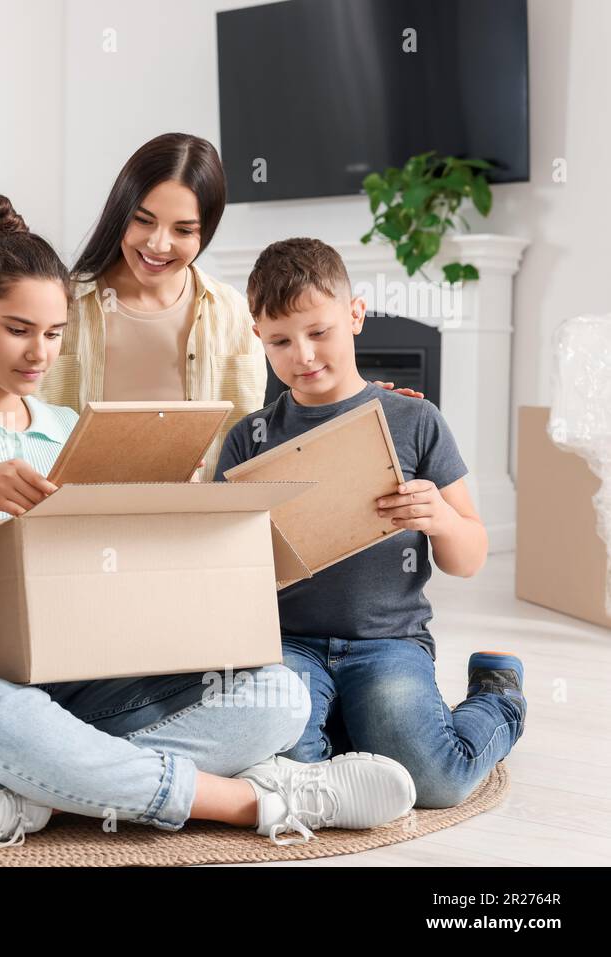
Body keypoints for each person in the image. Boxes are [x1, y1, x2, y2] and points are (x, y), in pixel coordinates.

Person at [0, 195, 418, 855]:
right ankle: (255, 800)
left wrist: (160, 511)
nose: (40, 353)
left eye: (55, 332)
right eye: (17, 329)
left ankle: (26, 793)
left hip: (79, 683)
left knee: (278, 693)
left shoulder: (67, 430)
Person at [215, 237, 526, 808]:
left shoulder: (415, 420)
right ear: (258, 338)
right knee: (288, 770)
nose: (303, 355)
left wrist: (440, 519)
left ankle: (498, 698)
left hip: (390, 642)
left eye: (319, 332)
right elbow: (219, 562)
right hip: (287, 643)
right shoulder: (249, 439)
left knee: (439, 782)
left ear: (355, 315)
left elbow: (471, 555)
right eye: (280, 341)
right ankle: (346, 727)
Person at [41, 133, 420, 480]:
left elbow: (264, 432)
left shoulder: (233, 314)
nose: (158, 244)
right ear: (120, 213)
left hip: (201, 531)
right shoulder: (61, 308)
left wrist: (360, 404)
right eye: (143, 220)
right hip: (82, 526)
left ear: (205, 231)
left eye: (183, 230)